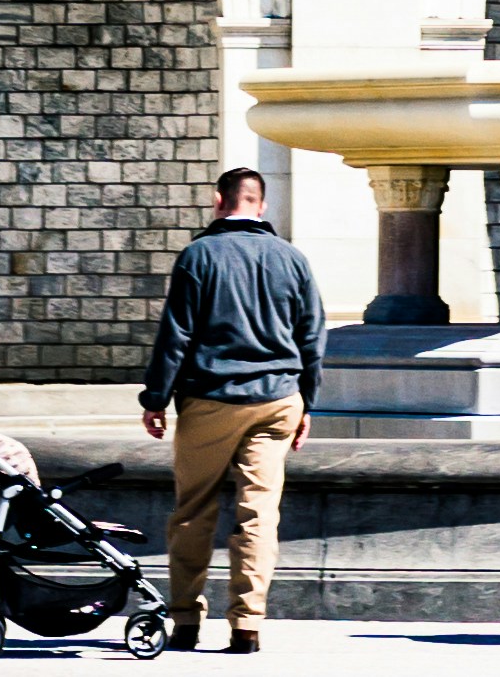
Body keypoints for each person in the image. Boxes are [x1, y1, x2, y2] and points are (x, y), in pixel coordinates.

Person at [139, 164, 326, 655]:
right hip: (277, 400)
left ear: (218, 201)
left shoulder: (198, 256)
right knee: (259, 516)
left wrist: (155, 398)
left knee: (194, 510)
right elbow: (312, 338)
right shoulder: (293, 259)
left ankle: (184, 622)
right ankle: (247, 626)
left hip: (211, 398)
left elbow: (175, 336)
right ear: (261, 205)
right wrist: (309, 402)